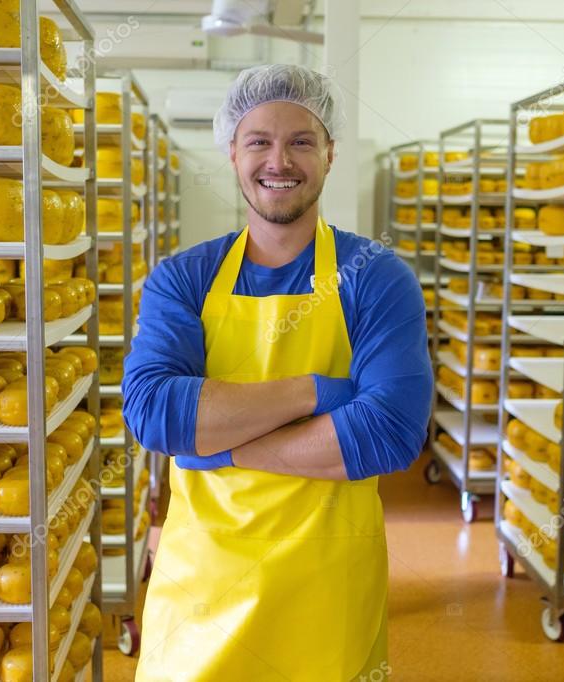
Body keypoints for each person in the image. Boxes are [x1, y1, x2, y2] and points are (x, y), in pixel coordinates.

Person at [122, 63, 433, 681]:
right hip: (203, 580)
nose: (279, 160)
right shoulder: (185, 278)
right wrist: (317, 392)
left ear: (330, 153)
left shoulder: (373, 276)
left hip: (327, 583)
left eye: (301, 141)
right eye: (259, 140)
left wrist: (218, 450)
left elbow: (389, 432)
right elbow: (156, 413)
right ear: (232, 151)